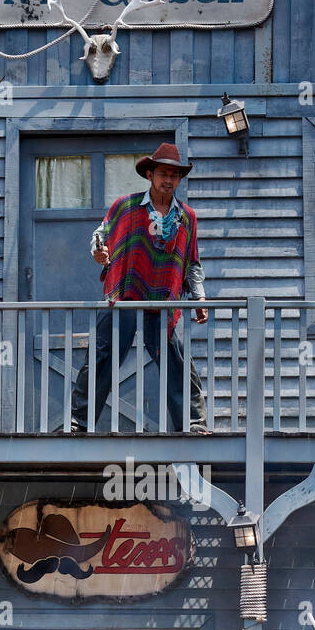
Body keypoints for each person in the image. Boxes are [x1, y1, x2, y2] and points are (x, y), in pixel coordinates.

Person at [70, 142, 209, 433]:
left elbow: (192, 263)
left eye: (174, 175)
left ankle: (194, 425)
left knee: (177, 363)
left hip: (163, 302)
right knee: (101, 357)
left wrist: (199, 297)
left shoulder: (187, 218)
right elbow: (100, 236)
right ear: (150, 174)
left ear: (179, 179)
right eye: (163, 173)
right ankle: (79, 424)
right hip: (124, 296)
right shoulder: (126, 206)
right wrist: (98, 252)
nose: (168, 180)